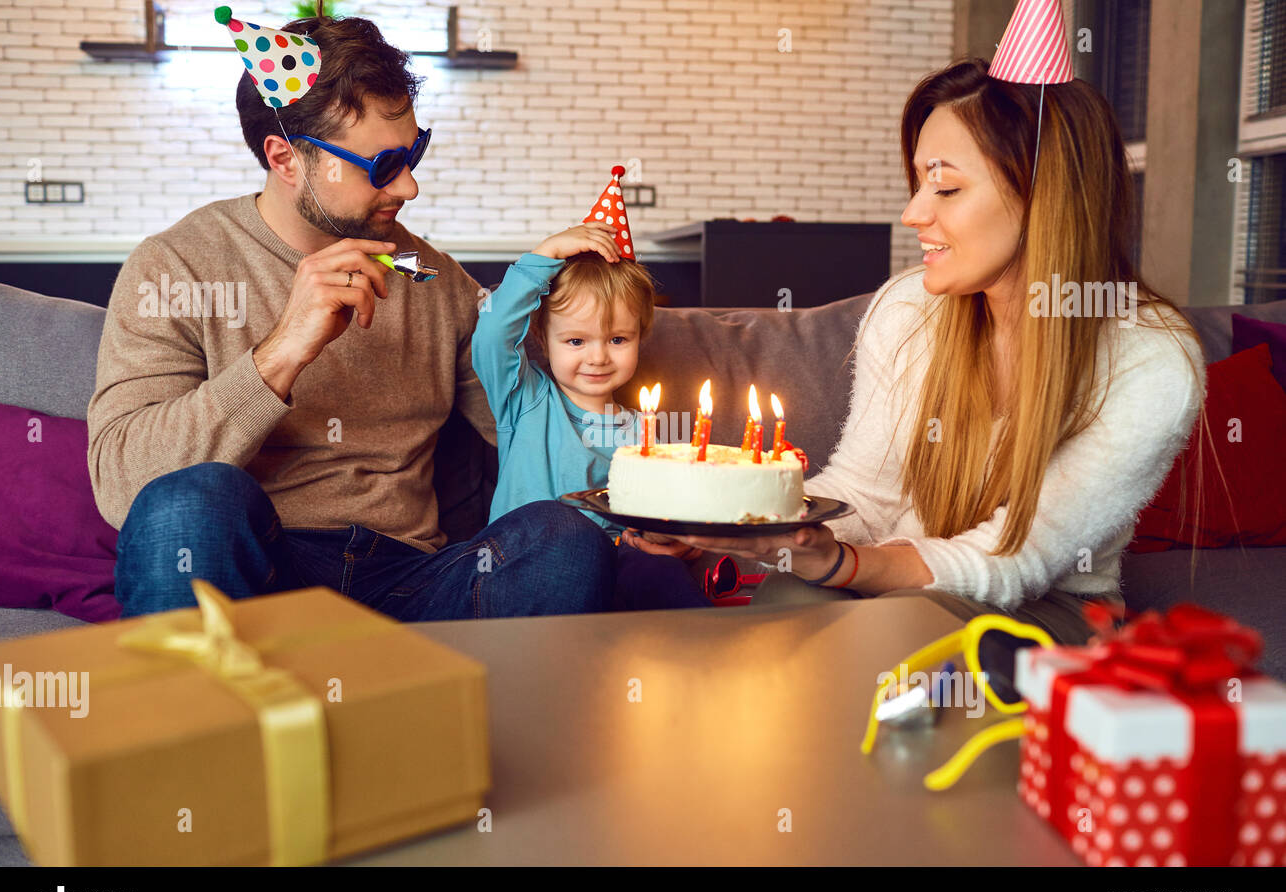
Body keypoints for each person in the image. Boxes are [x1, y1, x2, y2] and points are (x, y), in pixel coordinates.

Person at [644, 52, 1210, 645]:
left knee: (908, 630)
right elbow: (864, 495)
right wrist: (743, 531)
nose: (913, 212)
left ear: (1047, 195)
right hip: (898, 580)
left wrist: (841, 566)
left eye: (946, 187)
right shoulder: (910, 306)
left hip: (1045, 613)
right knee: (790, 594)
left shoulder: (1150, 357)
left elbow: (1017, 560)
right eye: (918, 184)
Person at [87, 13, 615, 620]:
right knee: (189, 501)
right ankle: (209, 713)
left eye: (414, 153)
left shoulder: (428, 277)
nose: (411, 187)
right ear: (286, 159)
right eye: (383, 165)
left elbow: (533, 426)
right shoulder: (177, 266)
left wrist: (640, 506)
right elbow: (126, 484)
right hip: (261, 575)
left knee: (565, 539)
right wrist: (280, 354)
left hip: (413, 582)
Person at [471, 217, 711, 611]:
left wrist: (673, 541)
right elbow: (493, 332)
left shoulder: (645, 433)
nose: (598, 357)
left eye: (617, 339)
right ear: (543, 340)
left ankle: (709, 659)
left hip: (615, 569)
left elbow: (661, 517)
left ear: (640, 336)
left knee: (661, 574)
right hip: (528, 567)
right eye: (576, 340)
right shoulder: (526, 398)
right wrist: (544, 255)